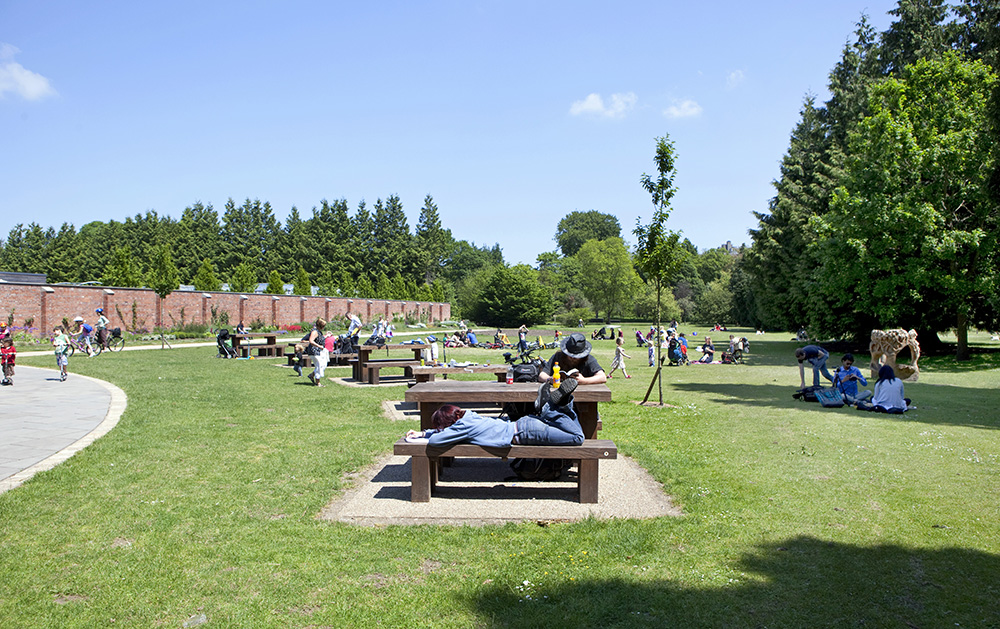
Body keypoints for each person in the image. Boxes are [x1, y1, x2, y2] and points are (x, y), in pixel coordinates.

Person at [405, 380, 585, 448]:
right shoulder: (469, 416)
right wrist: (422, 433)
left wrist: (426, 437)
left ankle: (551, 407)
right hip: (525, 425)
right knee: (573, 430)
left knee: (577, 438)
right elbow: (441, 434)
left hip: (526, 433)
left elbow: (437, 441)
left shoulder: (462, 427)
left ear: (449, 425)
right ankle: (561, 406)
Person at [537, 332, 607, 388]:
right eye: (570, 355)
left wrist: (584, 381)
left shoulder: (589, 359)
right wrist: (549, 379)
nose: (573, 358)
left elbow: (602, 377)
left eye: (577, 356)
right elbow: (542, 375)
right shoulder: (558, 356)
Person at [306, 318, 327, 386]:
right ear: (320, 326)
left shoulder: (319, 331)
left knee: (323, 365)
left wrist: (326, 336)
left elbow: (319, 339)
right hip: (314, 351)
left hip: (318, 351)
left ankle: (311, 375)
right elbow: (311, 341)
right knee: (319, 366)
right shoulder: (314, 332)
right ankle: (318, 382)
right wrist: (319, 346)